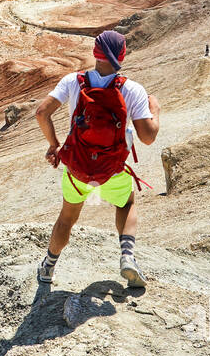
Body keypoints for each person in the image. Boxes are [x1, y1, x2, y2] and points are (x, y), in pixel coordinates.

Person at [34, 30, 159, 288]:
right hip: (112, 168)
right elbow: (148, 137)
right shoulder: (132, 89)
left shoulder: (73, 81)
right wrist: (155, 110)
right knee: (126, 204)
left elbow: (41, 113)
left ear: (95, 53)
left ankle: (48, 266)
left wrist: (54, 145)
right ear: (122, 56)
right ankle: (127, 257)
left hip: (78, 166)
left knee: (67, 218)